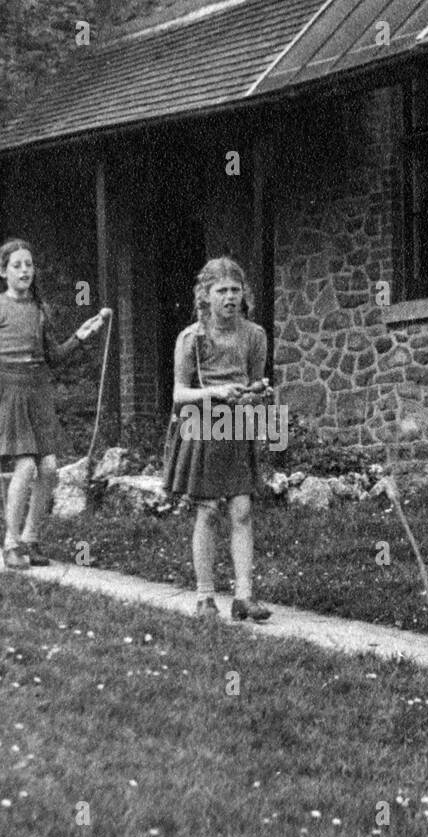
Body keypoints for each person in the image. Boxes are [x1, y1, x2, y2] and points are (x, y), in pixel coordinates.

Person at [0, 239, 108, 569]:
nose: (24, 271)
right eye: (17, 265)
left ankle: (31, 539)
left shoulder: (40, 310)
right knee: (26, 467)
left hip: (38, 390)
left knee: (48, 469)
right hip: (8, 388)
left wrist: (82, 335)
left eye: (29, 265)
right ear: (4, 271)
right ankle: (11, 543)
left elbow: (54, 357)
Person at [162, 256, 272, 623]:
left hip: (238, 425)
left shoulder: (255, 336)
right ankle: (205, 597)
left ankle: (244, 597)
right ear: (205, 296)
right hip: (204, 424)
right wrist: (218, 392)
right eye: (221, 291)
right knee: (207, 511)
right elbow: (179, 394)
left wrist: (255, 393)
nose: (229, 298)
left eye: (235, 291)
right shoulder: (192, 338)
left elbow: (256, 383)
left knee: (242, 510)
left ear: (244, 295)